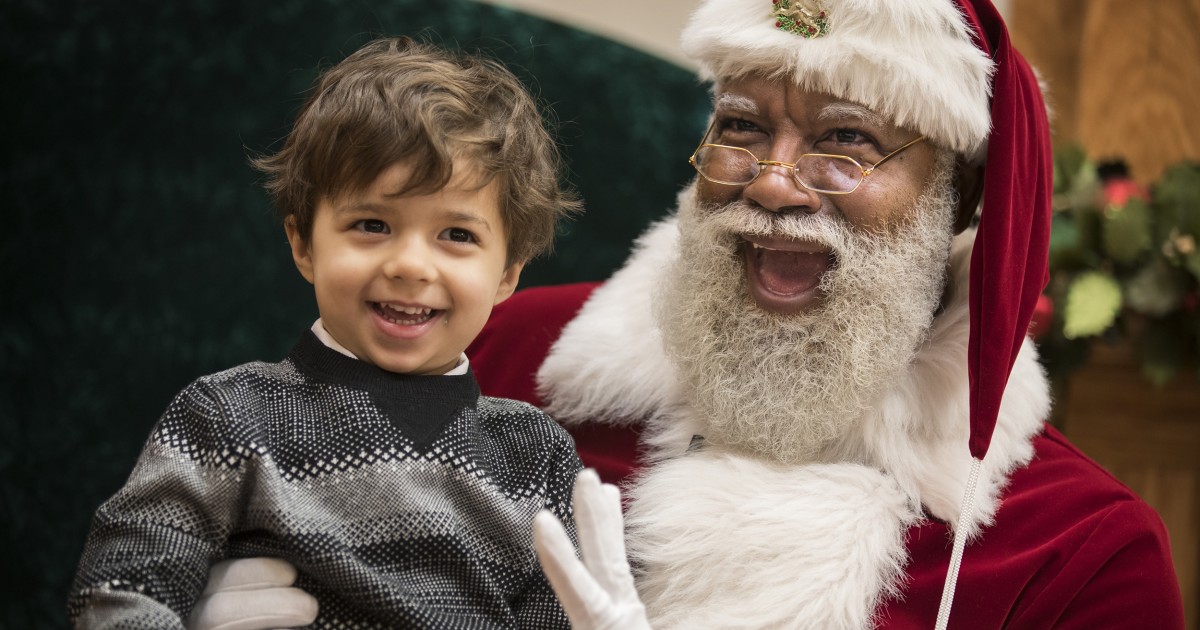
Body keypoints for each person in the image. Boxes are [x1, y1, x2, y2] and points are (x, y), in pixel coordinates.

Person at [196, 0, 1187, 627]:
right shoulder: (509, 352)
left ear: (959, 197)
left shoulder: (1081, 556)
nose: (776, 182)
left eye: (847, 141)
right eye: (741, 128)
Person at [67, 36, 583, 629]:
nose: (411, 265)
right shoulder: (228, 415)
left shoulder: (537, 455)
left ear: (507, 275)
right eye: (372, 224)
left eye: (457, 235)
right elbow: (121, 590)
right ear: (304, 245)